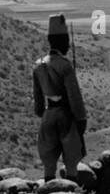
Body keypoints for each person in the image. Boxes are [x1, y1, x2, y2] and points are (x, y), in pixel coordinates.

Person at [32, 13, 87, 183]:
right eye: (66, 41)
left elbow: (38, 103)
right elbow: (74, 96)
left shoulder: (38, 65)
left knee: (49, 162)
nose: (68, 45)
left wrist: (45, 114)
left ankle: (47, 191)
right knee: (71, 161)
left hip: (48, 116)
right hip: (66, 117)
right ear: (62, 41)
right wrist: (80, 119)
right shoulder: (65, 66)